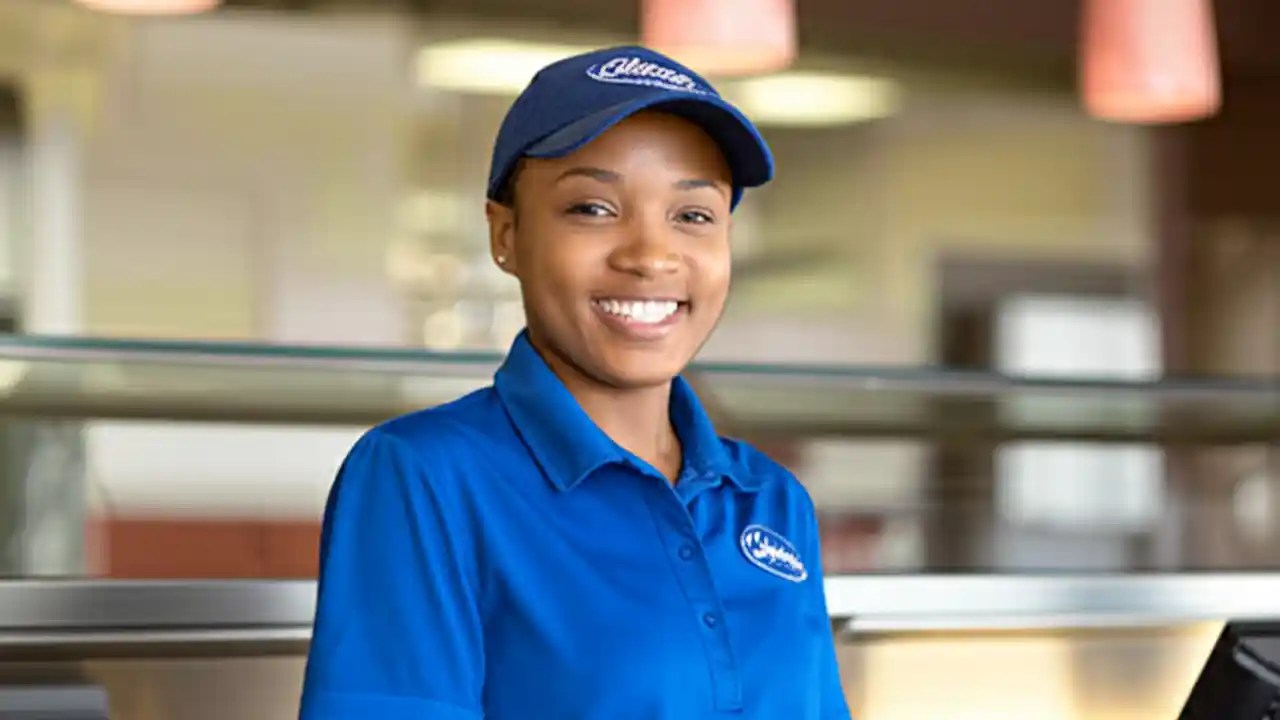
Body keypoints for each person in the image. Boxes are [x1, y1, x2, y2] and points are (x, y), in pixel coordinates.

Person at [299, 45, 851, 720]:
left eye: (693, 216)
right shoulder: (426, 478)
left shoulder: (768, 500)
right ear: (506, 234)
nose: (650, 256)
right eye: (593, 208)